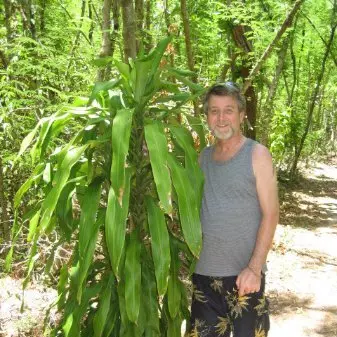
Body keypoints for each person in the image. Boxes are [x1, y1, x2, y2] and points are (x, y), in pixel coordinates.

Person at [188, 82, 279, 337]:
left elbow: (271, 213)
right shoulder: (201, 158)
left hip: (244, 279)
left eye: (228, 110)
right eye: (214, 111)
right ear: (206, 117)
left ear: (241, 115)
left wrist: (254, 268)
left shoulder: (257, 154)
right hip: (204, 278)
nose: (221, 118)